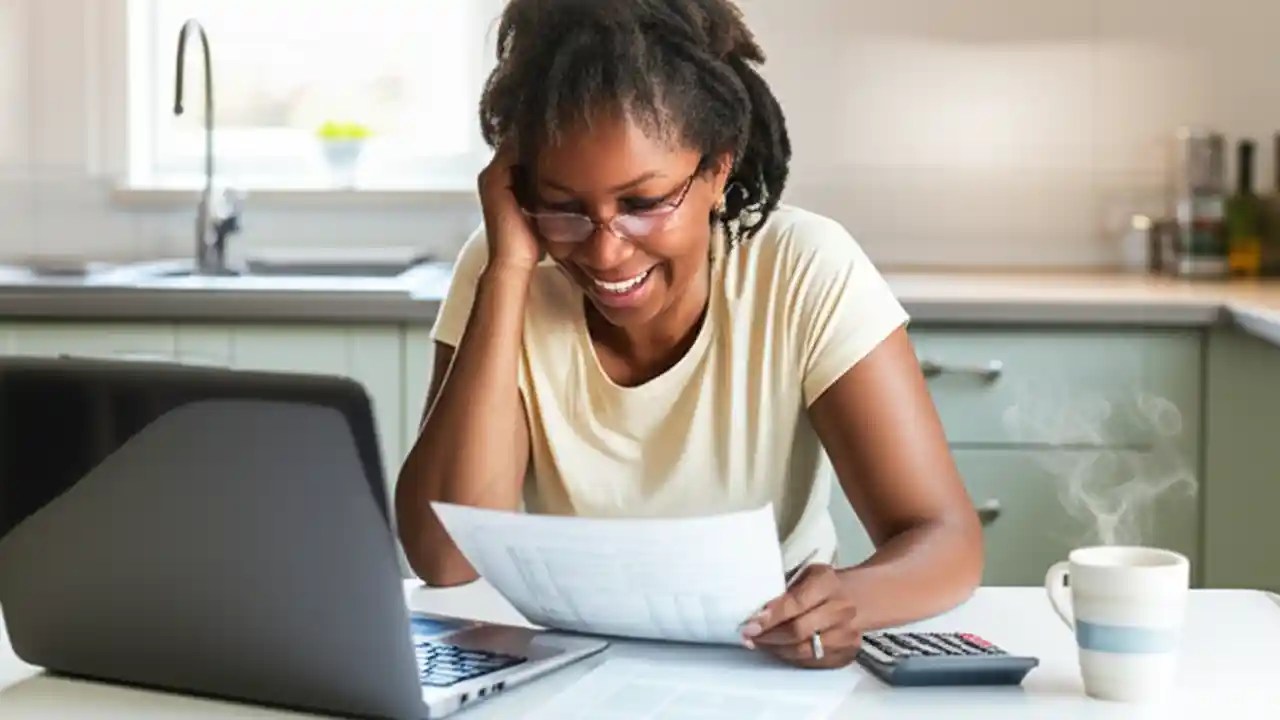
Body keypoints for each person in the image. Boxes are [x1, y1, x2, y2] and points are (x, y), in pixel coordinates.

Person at [396, 0, 983, 669]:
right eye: (564, 207)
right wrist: (506, 268)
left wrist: (850, 600)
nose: (607, 251)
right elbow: (443, 559)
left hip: (767, 661)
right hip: (573, 663)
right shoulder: (510, 263)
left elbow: (946, 539)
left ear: (716, 170)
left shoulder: (803, 267)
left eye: (644, 204)